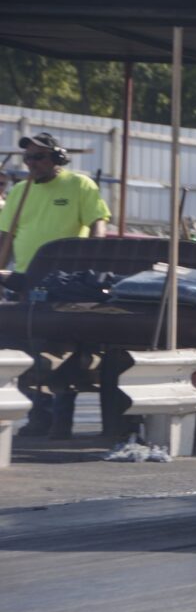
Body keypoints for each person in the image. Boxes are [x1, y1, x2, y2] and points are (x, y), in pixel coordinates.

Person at [0, 132, 111, 438]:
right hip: (25, 282)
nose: (33, 163)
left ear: (59, 158)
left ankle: (60, 420)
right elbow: (5, 238)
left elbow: (97, 224)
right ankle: (39, 417)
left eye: (40, 157)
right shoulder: (21, 191)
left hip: (66, 286)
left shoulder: (80, 185)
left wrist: (94, 261)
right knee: (27, 353)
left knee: (64, 351)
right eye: (28, 158)